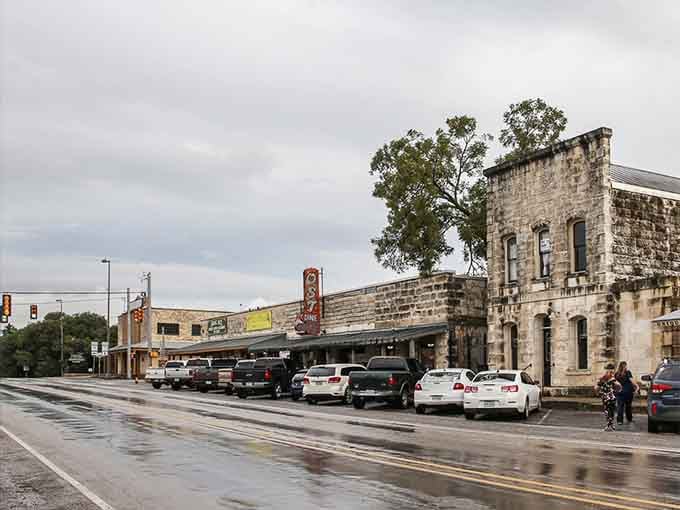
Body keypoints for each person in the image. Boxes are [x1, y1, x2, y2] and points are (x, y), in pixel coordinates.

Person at [596, 363, 621, 431]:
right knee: (610, 411)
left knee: (608, 411)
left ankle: (609, 424)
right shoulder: (610, 378)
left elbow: (596, 387)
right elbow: (619, 386)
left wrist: (598, 392)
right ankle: (610, 424)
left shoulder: (605, 378)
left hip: (607, 396)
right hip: (609, 396)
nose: (610, 372)